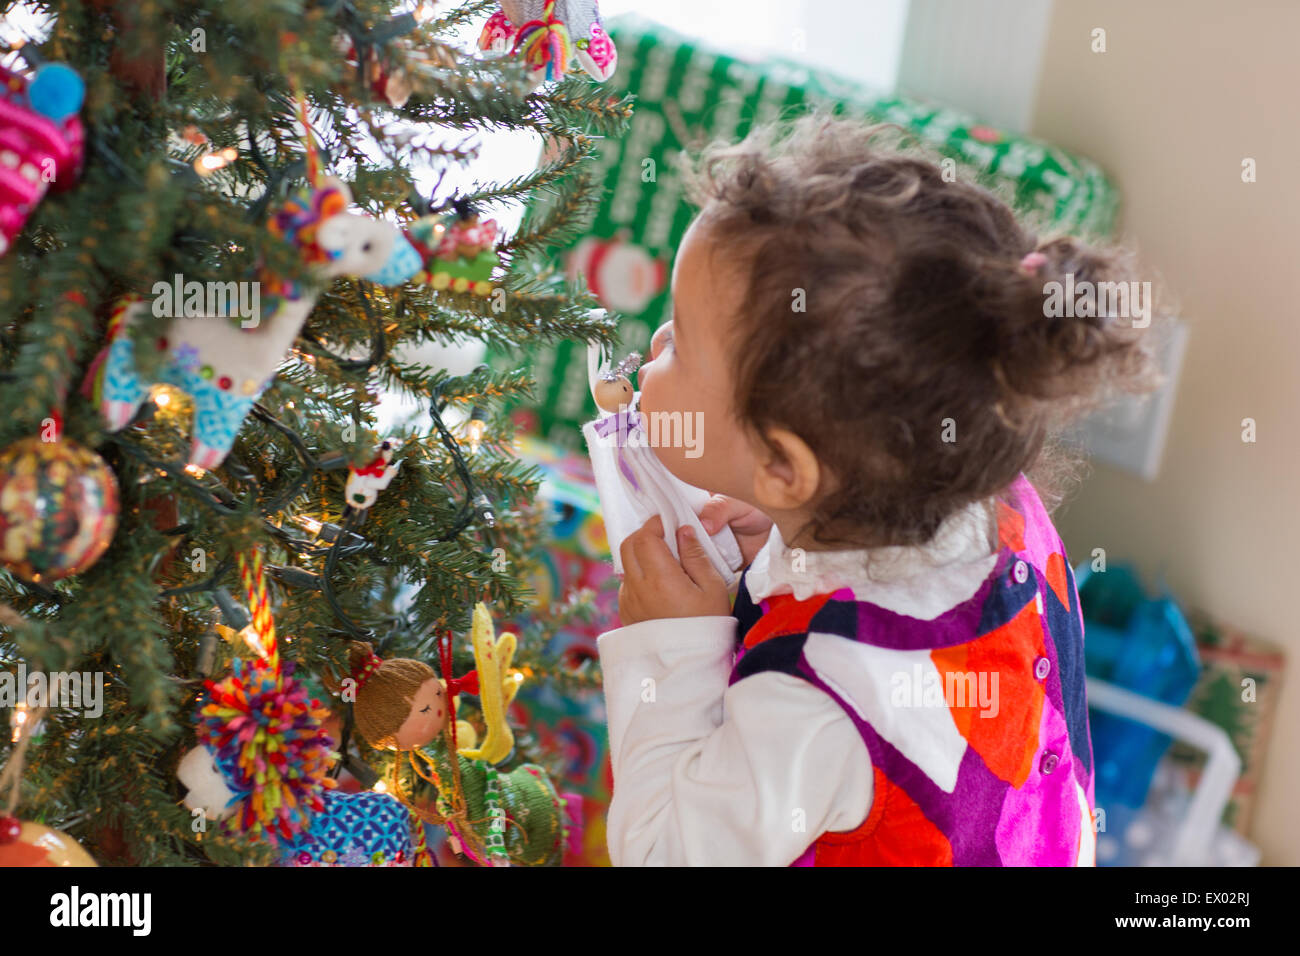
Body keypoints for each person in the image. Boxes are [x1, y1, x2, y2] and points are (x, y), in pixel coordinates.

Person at [596, 111, 1162, 866]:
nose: (657, 348)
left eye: (683, 342)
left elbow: (661, 852)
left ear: (788, 465)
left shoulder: (811, 702)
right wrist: (786, 533)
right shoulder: (995, 506)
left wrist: (673, 648)